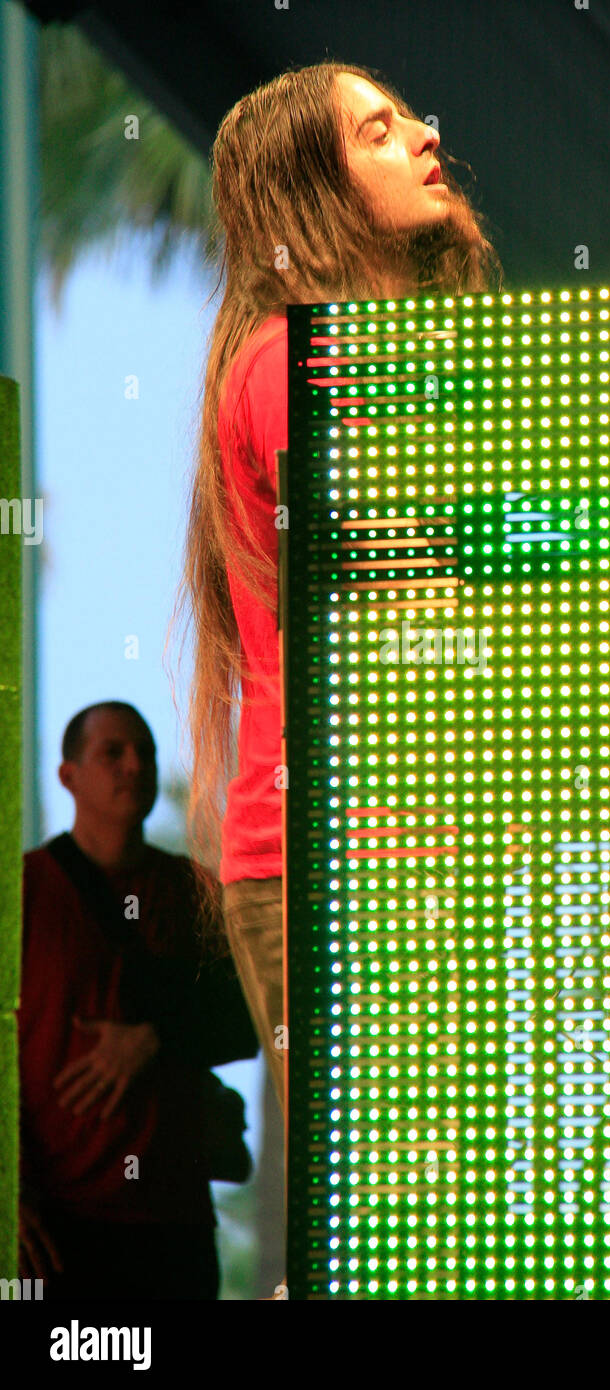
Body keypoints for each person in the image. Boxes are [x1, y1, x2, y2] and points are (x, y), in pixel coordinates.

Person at [175, 60, 502, 1112]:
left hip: (424, 842)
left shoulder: (407, 371)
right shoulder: (288, 366)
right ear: (311, 190)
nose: (420, 133)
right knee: (402, 1208)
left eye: (407, 112)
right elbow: (416, 609)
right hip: (354, 862)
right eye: (374, 131)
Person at [17, 701, 258, 1300]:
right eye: (113, 753)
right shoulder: (24, 893)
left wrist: (153, 1037)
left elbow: (246, 1023)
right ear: (68, 776)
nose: (135, 766)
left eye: (146, 753)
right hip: (57, 1224)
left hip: (172, 1221)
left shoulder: (194, 891)